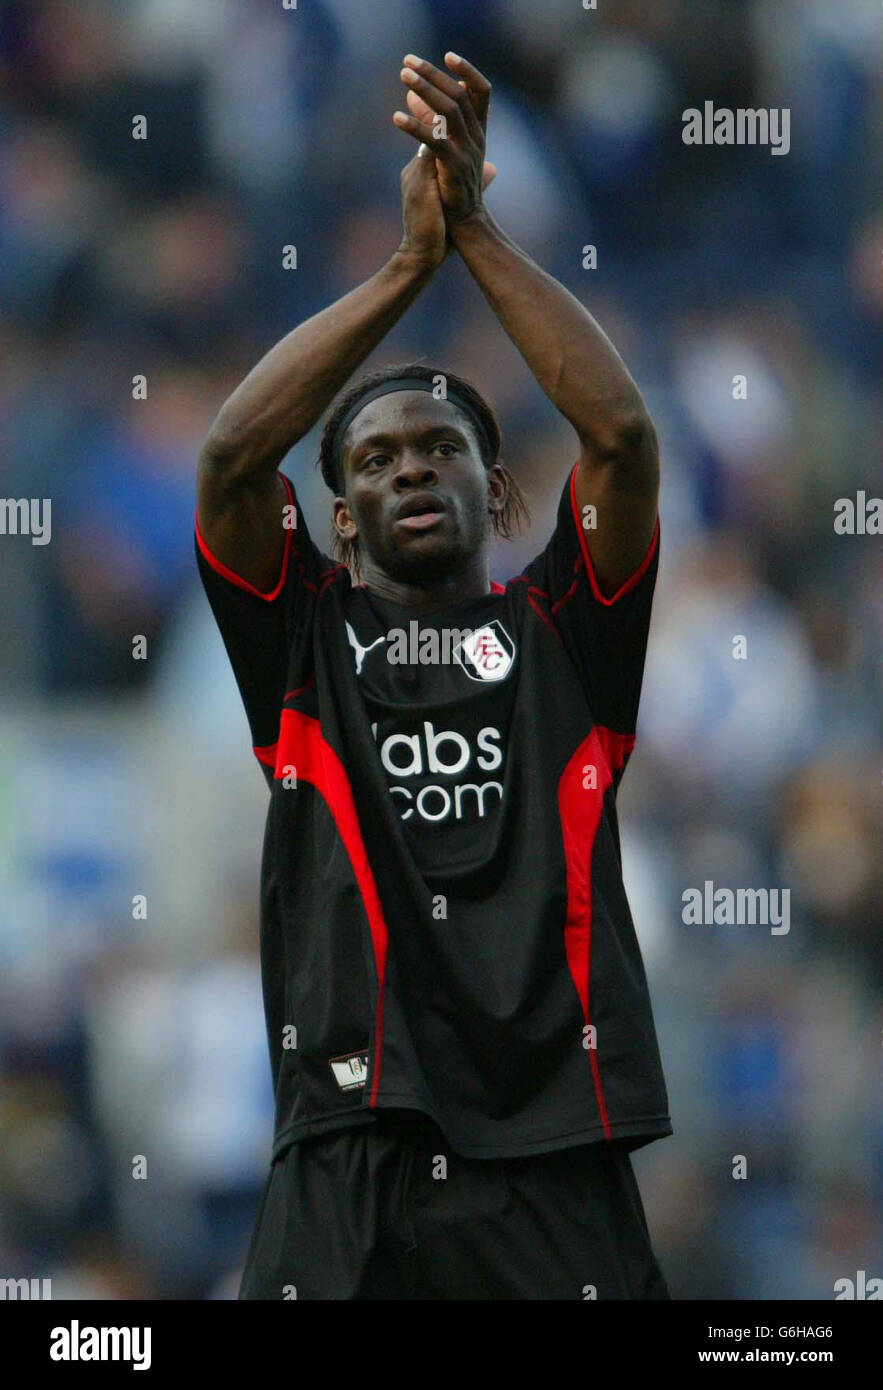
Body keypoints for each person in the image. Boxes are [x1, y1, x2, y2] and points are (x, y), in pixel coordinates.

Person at [195, 51, 670, 1300]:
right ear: (340, 519)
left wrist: (476, 232)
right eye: (376, 458)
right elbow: (236, 463)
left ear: (495, 489)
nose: (410, 468)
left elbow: (619, 436)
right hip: (349, 1143)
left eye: (442, 447)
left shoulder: (565, 633)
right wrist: (408, 267)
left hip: (549, 1146)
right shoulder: (301, 642)